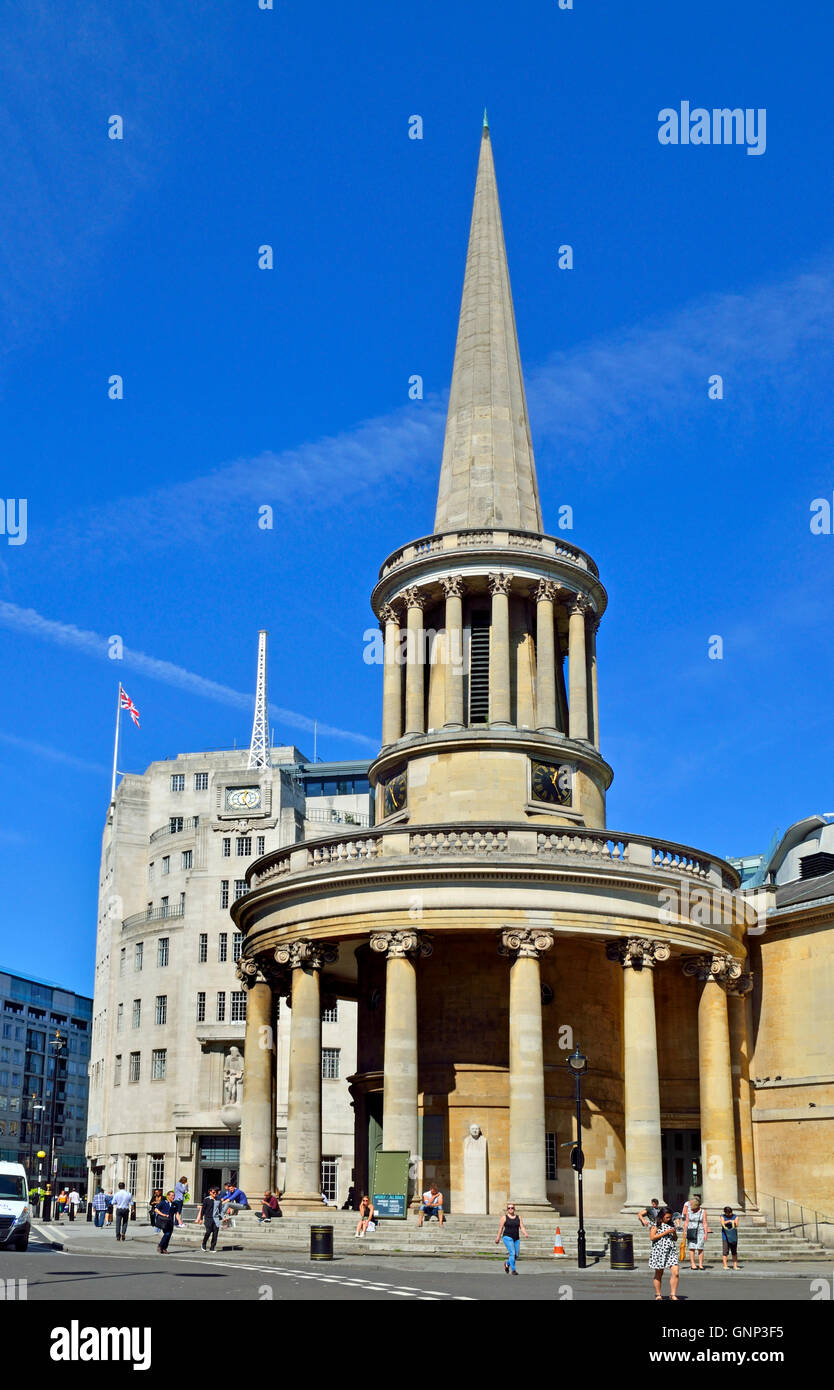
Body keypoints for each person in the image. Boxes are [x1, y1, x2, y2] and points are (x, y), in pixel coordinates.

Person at [649, 1207, 680, 1300]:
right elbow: (652, 1237)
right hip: (659, 1251)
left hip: (671, 1251)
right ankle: (658, 1294)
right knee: (659, 1273)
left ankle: (673, 1294)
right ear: (661, 1216)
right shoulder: (655, 1225)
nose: (669, 1219)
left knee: (676, 1272)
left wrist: (674, 1233)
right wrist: (665, 1232)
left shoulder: (671, 1225)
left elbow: (675, 1239)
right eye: (667, 1217)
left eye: (670, 1217)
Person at [494, 1202, 529, 1275]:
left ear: (514, 1209)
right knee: (512, 1253)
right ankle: (513, 1270)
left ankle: (507, 1264)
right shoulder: (504, 1217)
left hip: (516, 1238)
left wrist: (525, 1233)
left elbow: (521, 1227)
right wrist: (498, 1237)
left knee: (516, 1255)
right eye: (509, 1208)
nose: (510, 1209)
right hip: (507, 1237)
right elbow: (501, 1228)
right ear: (507, 1209)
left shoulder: (518, 1217)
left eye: (512, 1208)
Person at [681, 1194, 709, 1270]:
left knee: (700, 1248)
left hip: (700, 1230)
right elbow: (686, 1222)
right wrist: (684, 1232)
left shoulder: (703, 1211)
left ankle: (700, 1264)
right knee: (691, 1248)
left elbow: (705, 1223)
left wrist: (706, 1233)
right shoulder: (689, 1211)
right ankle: (693, 1264)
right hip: (690, 1230)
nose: (691, 1207)